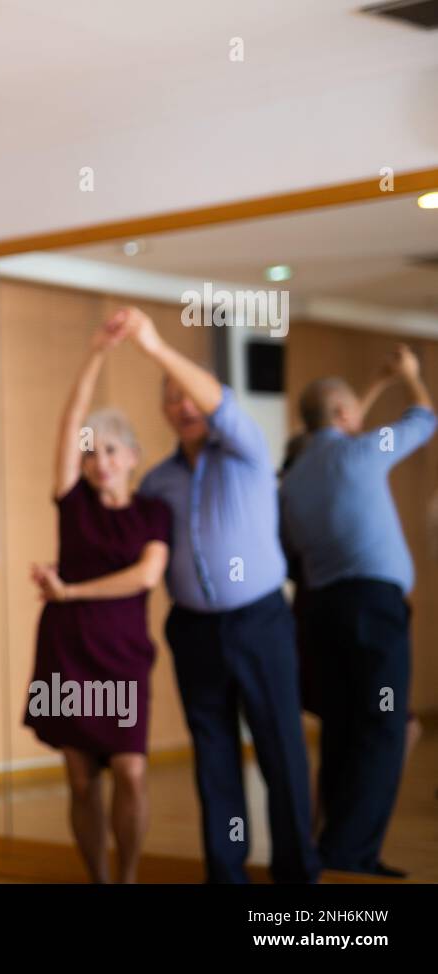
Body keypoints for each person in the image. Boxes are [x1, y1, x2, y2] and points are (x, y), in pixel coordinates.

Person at [112, 306, 319, 884]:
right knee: (215, 759)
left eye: (188, 395)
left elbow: (224, 404)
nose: (181, 406)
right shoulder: (157, 483)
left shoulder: (249, 451)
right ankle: (226, 876)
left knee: (282, 754)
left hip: (260, 623)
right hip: (194, 630)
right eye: (169, 398)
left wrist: (153, 346)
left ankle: (298, 882)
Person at [23, 315, 170, 883]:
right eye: (91, 453)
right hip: (69, 651)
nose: (98, 460)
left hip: (124, 655)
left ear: (132, 456)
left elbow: (145, 577)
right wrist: (96, 353)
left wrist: (71, 590)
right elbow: (69, 424)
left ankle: (127, 877)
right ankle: (100, 880)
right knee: (81, 777)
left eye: (110, 450)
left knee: (131, 771)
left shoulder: (152, 513)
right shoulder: (73, 501)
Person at [280, 344, 435, 876]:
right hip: (374, 611)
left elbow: (343, 423)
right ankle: (351, 852)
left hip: (321, 614)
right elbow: (424, 419)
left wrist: (373, 382)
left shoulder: (294, 476)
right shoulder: (362, 453)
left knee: (345, 730)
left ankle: (333, 847)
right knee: (385, 726)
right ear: (346, 417)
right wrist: (410, 377)